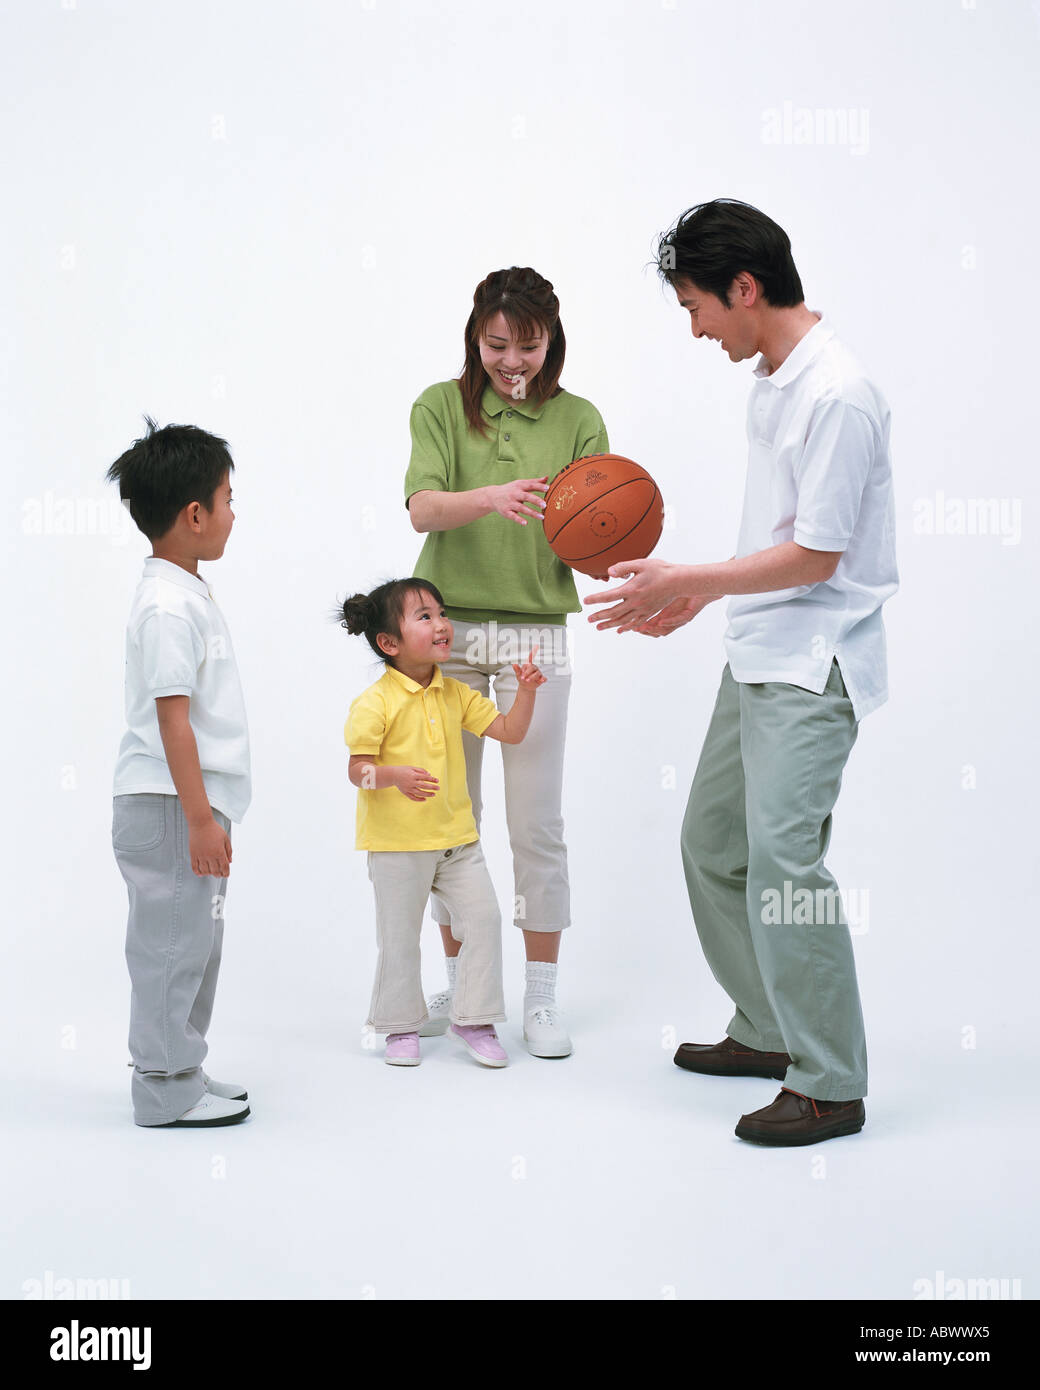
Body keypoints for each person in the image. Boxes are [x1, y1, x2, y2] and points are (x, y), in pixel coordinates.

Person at [585, 199, 897, 1145]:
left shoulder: (837, 393)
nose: (695, 327)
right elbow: (774, 538)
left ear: (746, 288)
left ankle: (830, 1082)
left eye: (697, 306)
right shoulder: (773, 376)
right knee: (712, 846)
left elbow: (817, 557)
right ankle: (769, 1030)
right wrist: (697, 597)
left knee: (786, 869)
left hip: (812, 665)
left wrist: (694, 578)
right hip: (756, 649)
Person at [404, 266, 609, 1057]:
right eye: (497, 345)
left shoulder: (581, 420)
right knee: (450, 821)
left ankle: (543, 1001)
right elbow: (422, 507)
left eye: (528, 346)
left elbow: (592, 546)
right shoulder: (439, 407)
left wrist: (605, 542)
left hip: (536, 640)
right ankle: (463, 988)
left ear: (551, 340)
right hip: (446, 636)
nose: (513, 361)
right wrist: (491, 496)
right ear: (475, 337)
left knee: (536, 825)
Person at [107, 418, 251, 1128]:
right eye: (228, 498)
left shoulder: (184, 591)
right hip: (170, 806)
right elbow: (173, 723)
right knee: (170, 944)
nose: (233, 512)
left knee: (193, 941)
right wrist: (198, 819)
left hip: (187, 804)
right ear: (195, 516)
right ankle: (162, 1088)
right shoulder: (167, 606)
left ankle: (182, 1066)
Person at [341, 579, 546, 1067]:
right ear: (389, 643)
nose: (442, 624)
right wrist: (393, 776)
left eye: (442, 612)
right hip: (397, 846)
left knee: (484, 920)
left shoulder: (455, 693)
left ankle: (471, 1019)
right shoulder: (375, 703)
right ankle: (399, 1027)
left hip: (457, 841)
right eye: (425, 617)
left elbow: (510, 733)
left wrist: (529, 692)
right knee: (399, 938)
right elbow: (358, 772)